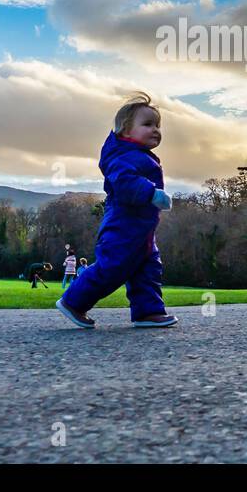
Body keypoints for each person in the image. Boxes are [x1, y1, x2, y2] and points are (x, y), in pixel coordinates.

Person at [56, 93, 177, 329]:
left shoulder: (140, 156)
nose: (155, 130)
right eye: (147, 124)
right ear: (125, 131)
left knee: (148, 269)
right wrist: (152, 193)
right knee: (112, 267)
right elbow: (123, 182)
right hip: (123, 228)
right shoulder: (122, 157)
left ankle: (148, 312)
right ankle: (73, 301)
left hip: (142, 232)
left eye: (157, 125)